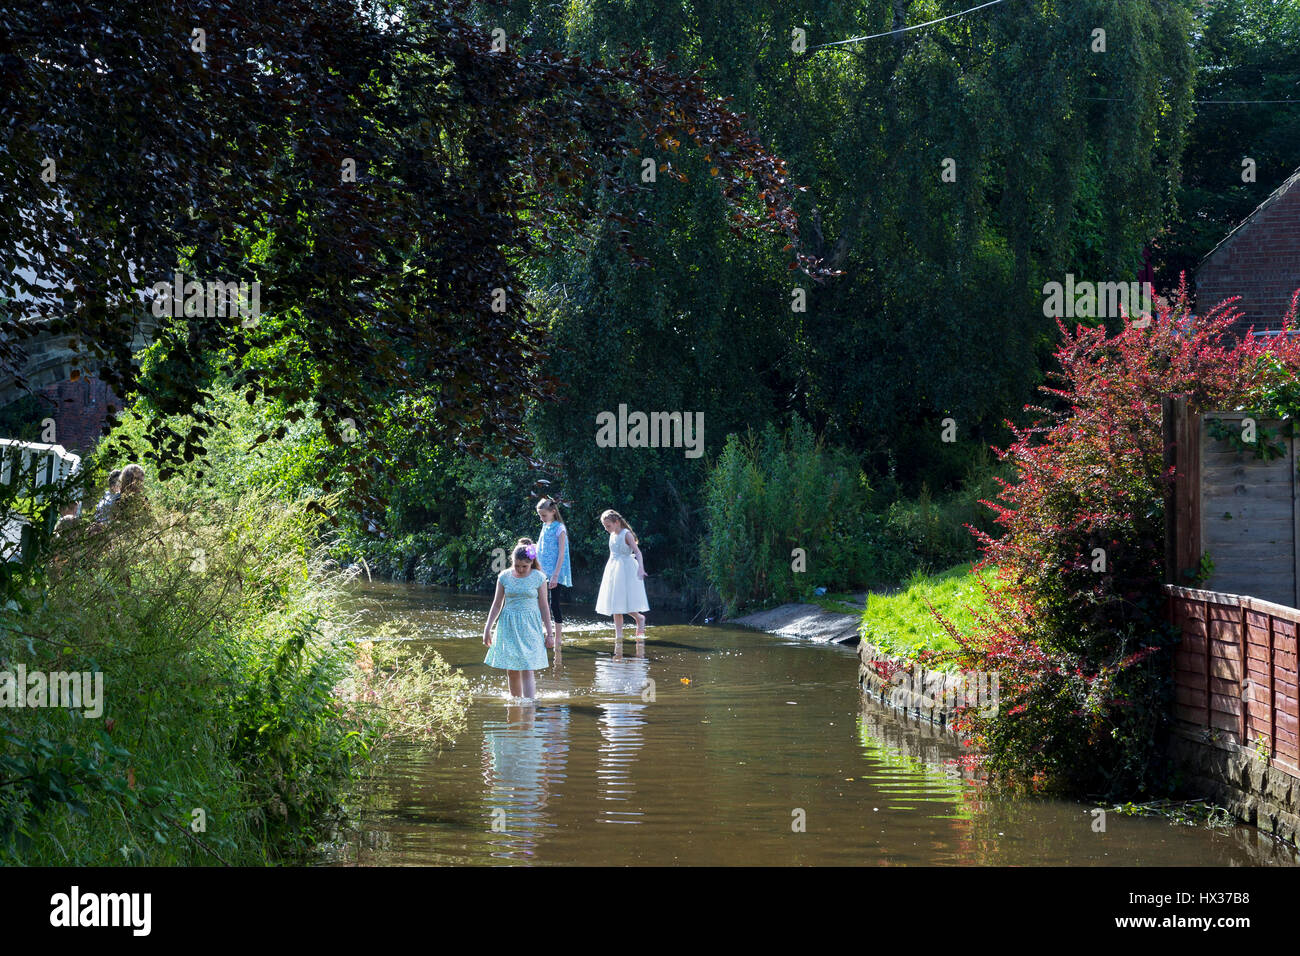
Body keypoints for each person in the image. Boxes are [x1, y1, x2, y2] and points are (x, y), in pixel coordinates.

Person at [483, 540, 553, 699]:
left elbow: (544, 606)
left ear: (531, 563)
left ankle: (529, 703)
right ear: (512, 562)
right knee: (512, 668)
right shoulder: (504, 576)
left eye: (524, 566)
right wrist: (487, 629)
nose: (520, 569)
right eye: (517, 566)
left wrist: (550, 633)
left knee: (528, 666)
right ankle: (515, 703)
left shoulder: (539, 577)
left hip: (530, 625)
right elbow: (496, 604)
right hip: (508, 624)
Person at [595, 509, 648, 640]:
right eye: (604, 526)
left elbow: (638, 552)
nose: (606, 529)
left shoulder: (626, 534)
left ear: (617, 522)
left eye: (608, 526)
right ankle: (619, 636)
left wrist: (641, 568)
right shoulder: (612, 535)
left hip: (626, 570)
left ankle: (639, 618)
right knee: (615, 603)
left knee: (626, 602)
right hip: (613, 570)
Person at [535, 497, 572, 648]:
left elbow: (562, 554)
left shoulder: (559, 528)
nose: (541, 518)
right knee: (540, 602)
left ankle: (558, 638)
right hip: (543, 571)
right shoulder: (545, 526)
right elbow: (540, 549)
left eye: (544, 515)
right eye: (540, 515)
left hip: (556, 571)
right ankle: (543, 632)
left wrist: (556, 575)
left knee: (554, 604)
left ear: (553, 512)